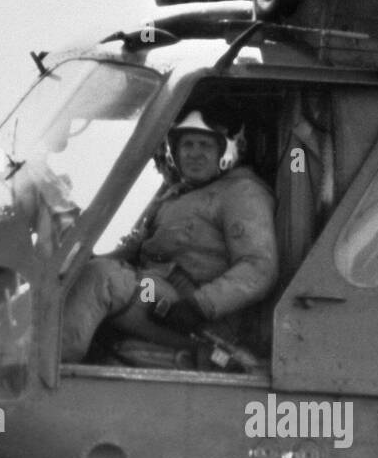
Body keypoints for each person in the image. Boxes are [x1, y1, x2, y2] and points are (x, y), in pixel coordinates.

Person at [60, 109, 279, 363]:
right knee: (76, 270)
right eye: (187, 145)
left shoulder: (241, 194)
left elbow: (260, 268)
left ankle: (47, 369)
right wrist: (82, 260)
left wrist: (200, 305)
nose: (194, 153)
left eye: (205, 145)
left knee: (103, 279)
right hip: (155, 291)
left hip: (191, 313)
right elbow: (137, 249)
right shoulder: (175, 197)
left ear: (226, 152)